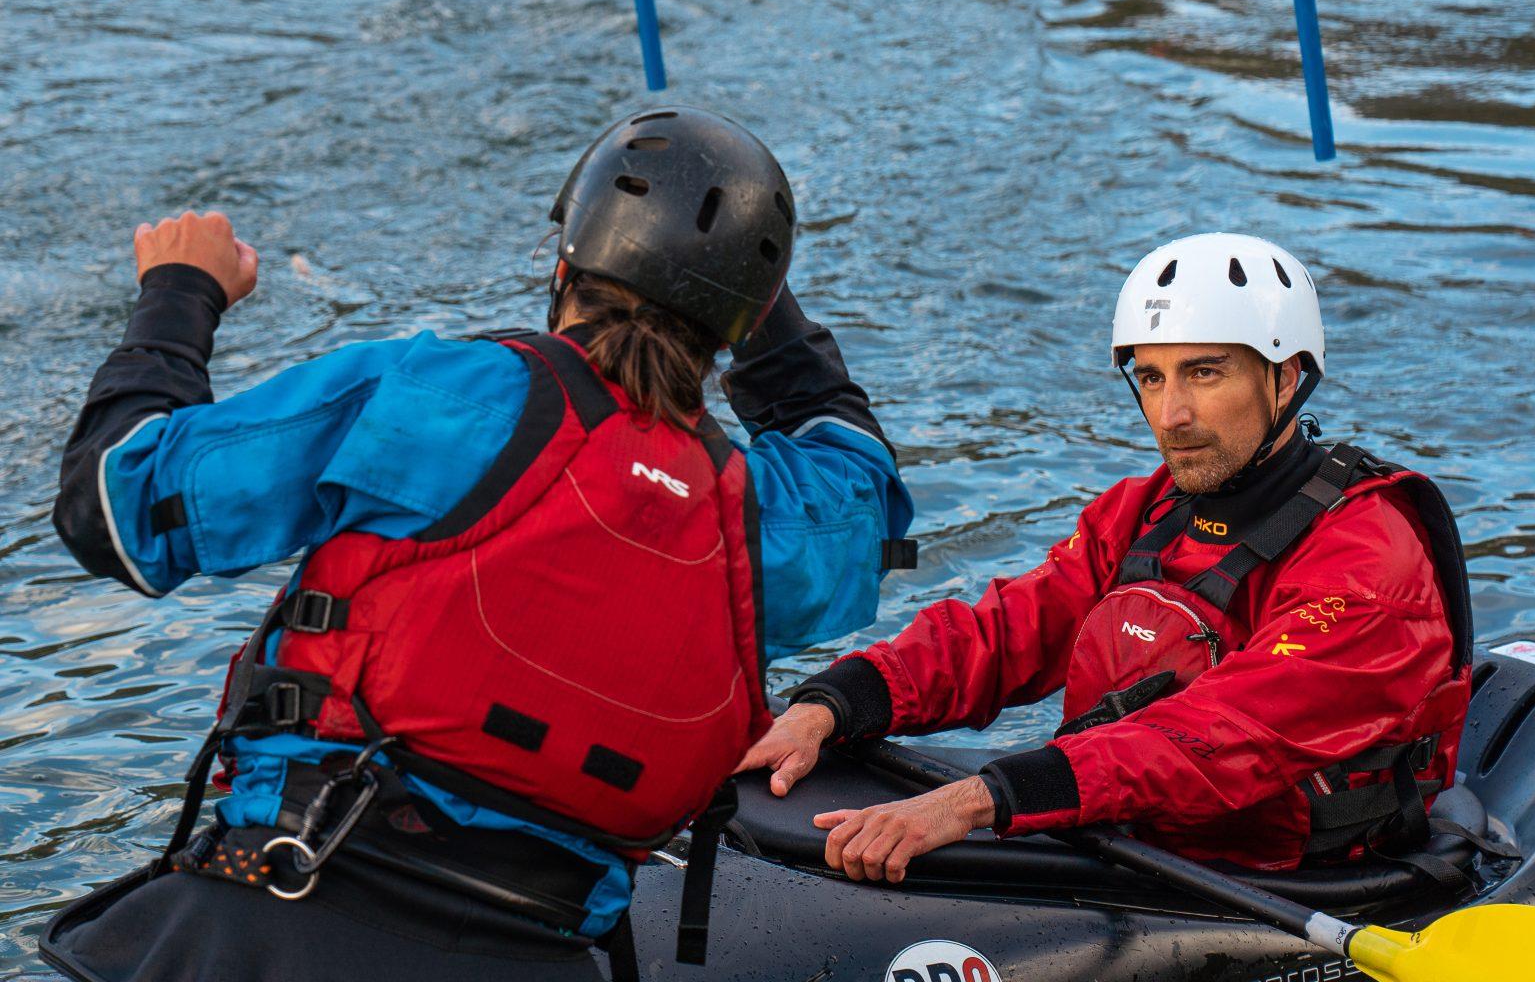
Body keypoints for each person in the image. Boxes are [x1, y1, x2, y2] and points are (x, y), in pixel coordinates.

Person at [42, 106, 914, 982]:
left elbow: (112, 509)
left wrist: (180, 291)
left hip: (277, 917)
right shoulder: (764, 515)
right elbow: (861, 476)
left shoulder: (438, 398)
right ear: (742, 316)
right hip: (541, 953)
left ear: (563, 261)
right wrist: (745, 295)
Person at [742, 232, 1473, 885]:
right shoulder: (1142, 511)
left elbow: (1218, 738)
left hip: (1291, 876)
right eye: (1151, 378)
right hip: (1142, 837)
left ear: (1286, 378)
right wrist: (830, 704)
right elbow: (1001, 632)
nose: (1170, 415)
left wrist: (980, 798)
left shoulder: (1372, 559)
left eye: (1205, 373)